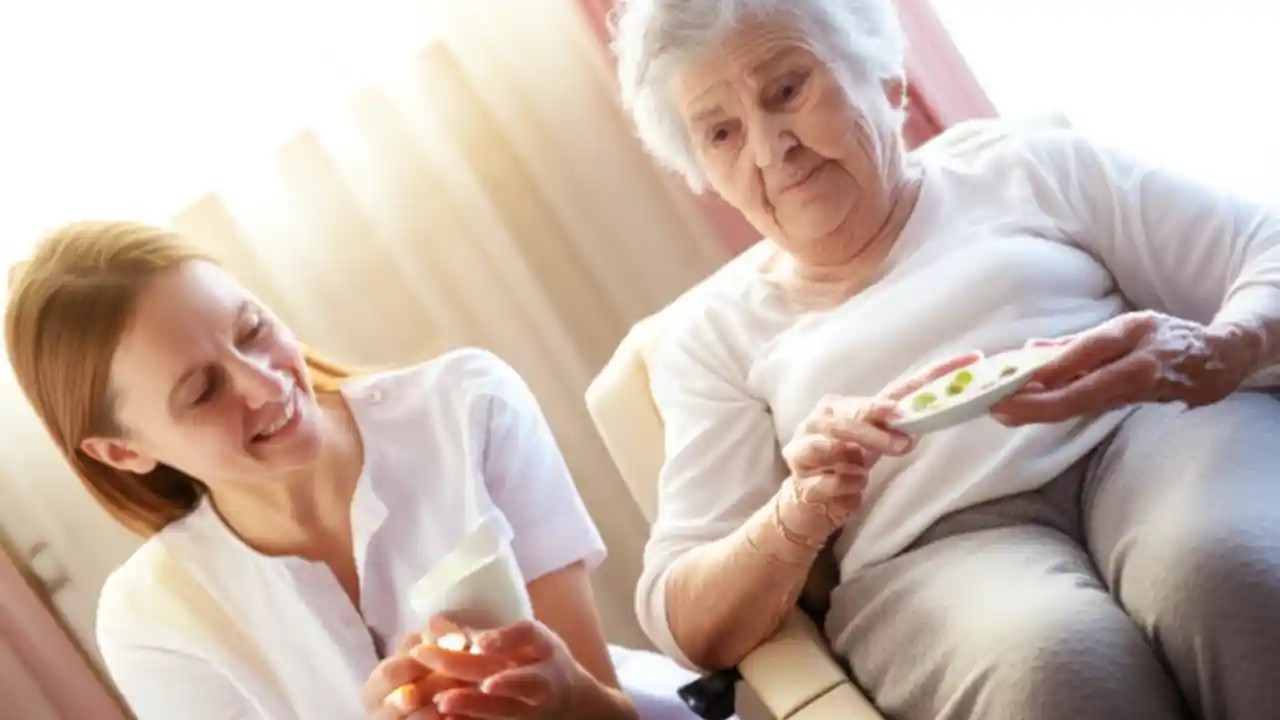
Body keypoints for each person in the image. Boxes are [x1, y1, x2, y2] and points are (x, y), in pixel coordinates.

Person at [611, 0, 1280, 718]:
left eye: (786, 90)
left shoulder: (1023, 163)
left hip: (1144, 440)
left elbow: (1265, 251)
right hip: (934, 556)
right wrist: (800, 508)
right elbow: (684, 615)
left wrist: (1221, 346)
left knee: (1223, 570)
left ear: (886, 77)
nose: (772, 150)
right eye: (722, 133)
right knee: (1054, 663)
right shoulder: (711, 338)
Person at [4, 221, 700, 720]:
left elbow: (603, 699)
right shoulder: (152, 621)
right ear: (122, 451)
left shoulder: (465, 407)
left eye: (252, 330)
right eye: (202, 392)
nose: (266, 384)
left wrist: (566, 699)